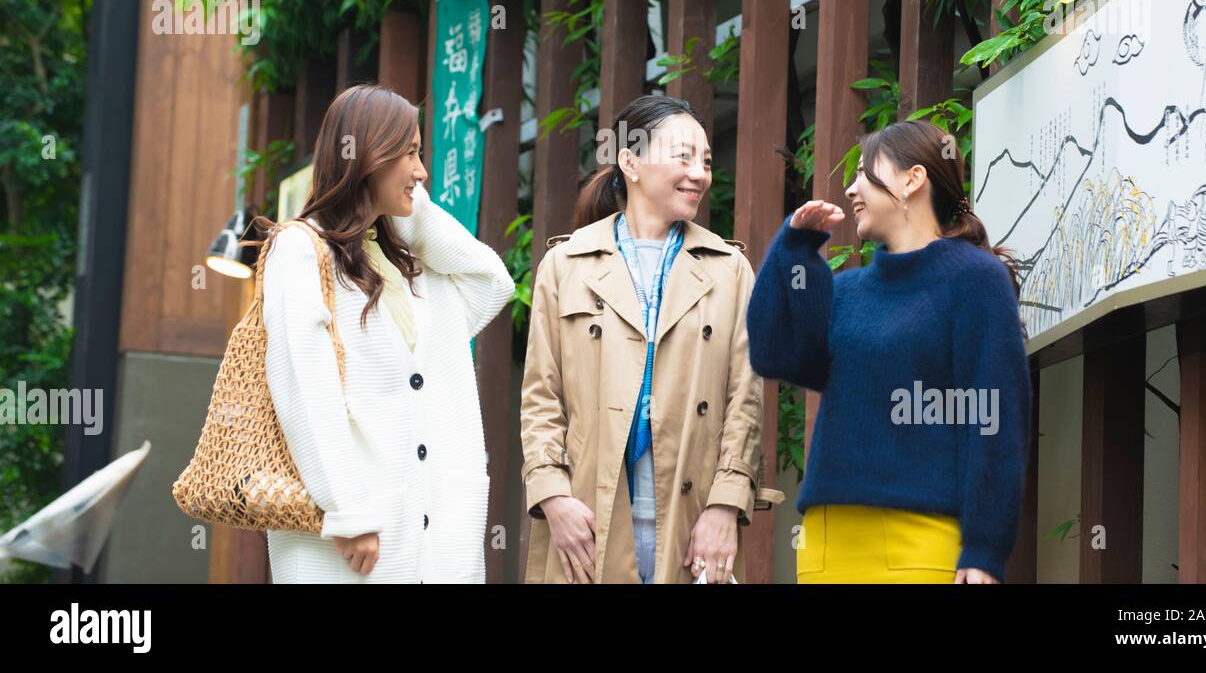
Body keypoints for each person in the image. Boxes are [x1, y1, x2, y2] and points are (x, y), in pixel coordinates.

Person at [748, 119, 1031, 583]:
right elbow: (774, 355)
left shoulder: (975, 280)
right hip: (825, 542)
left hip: (918, 541)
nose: (852, 188)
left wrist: (984, 550)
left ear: (912, 179)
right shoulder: (848, 290)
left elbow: (997, 421)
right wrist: (794, 251)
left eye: (864, 171)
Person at [259, 83, 514, 582]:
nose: (422, 172)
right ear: (367, 155)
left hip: (432, 548)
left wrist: (406, 214)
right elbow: (302, 388)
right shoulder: (300, 251)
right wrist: (347, 511)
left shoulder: (412, 271)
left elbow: (491, 282)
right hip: (351, 544)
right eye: (410, 153)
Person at [520, 94, 781, 583]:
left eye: (704, 161)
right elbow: (541, 397)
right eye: (683, 156)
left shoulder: (730, 270)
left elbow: (745, 400)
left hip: (694, 522)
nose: (700, 173)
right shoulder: (565, 265)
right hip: (587, 517)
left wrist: (726, 505)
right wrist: (553, 497)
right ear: (630, 161)